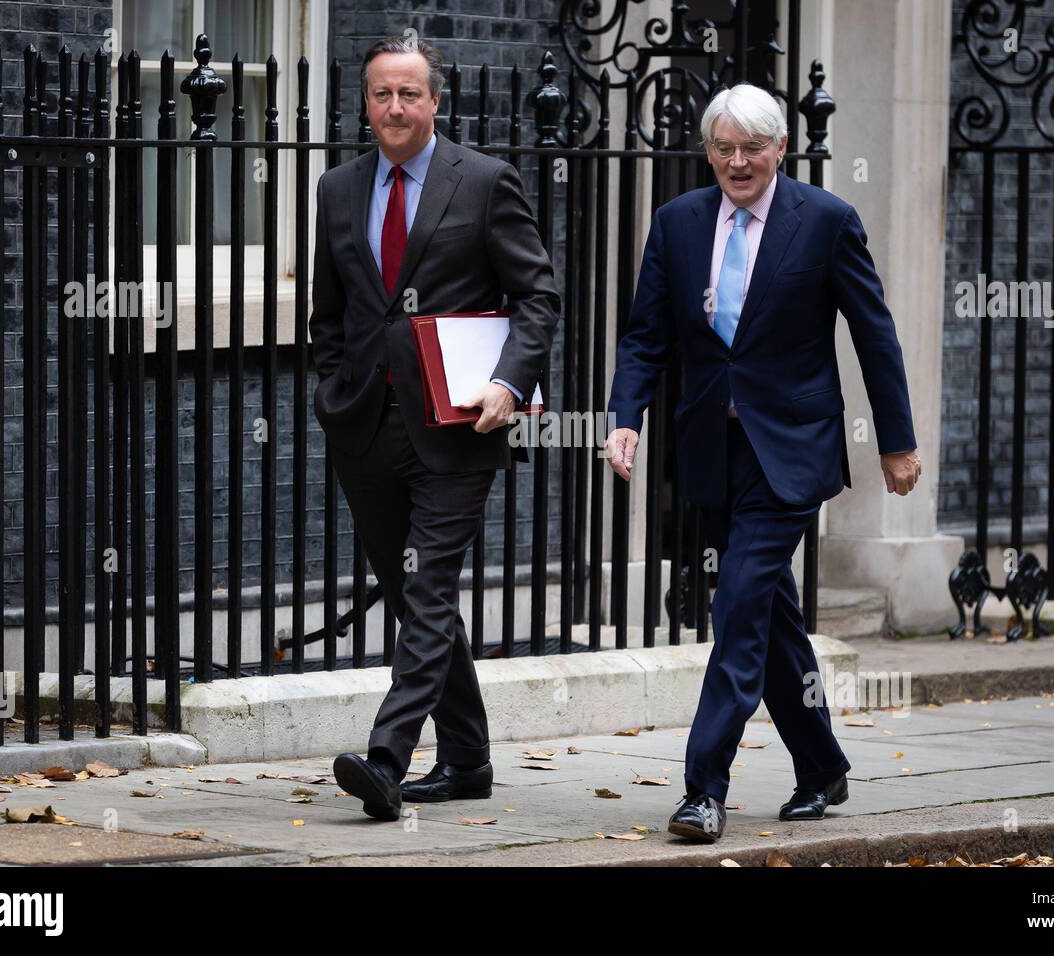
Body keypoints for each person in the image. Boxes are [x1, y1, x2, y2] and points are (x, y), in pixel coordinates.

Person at [605, 83, 920, 842]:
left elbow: (873, 334)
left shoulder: (826, 222)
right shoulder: (677, 223)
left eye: (753, 148)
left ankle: (702, 787)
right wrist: (625, 420)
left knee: (738, 608)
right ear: (708, 149)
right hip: (713, 445)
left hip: (792, 449)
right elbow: (646, 334)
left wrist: (896, 440)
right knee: (772, 618)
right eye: (723, 148)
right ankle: (820, 765)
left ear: (782, 148)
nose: (737, 162)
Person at [310, 35, 560, 820]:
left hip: (456, 425)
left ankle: (387, 756)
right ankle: (470, 759)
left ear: (435, 100)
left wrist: (509, 382)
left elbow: (538, 296)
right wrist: (330, 390)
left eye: (409, 94)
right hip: (364, 427)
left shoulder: (484, 181)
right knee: (417, 596)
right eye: (382, 94)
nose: (395, 107)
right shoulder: (337, 189)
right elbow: (330, 309)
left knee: (426, 588)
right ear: (365, 102)